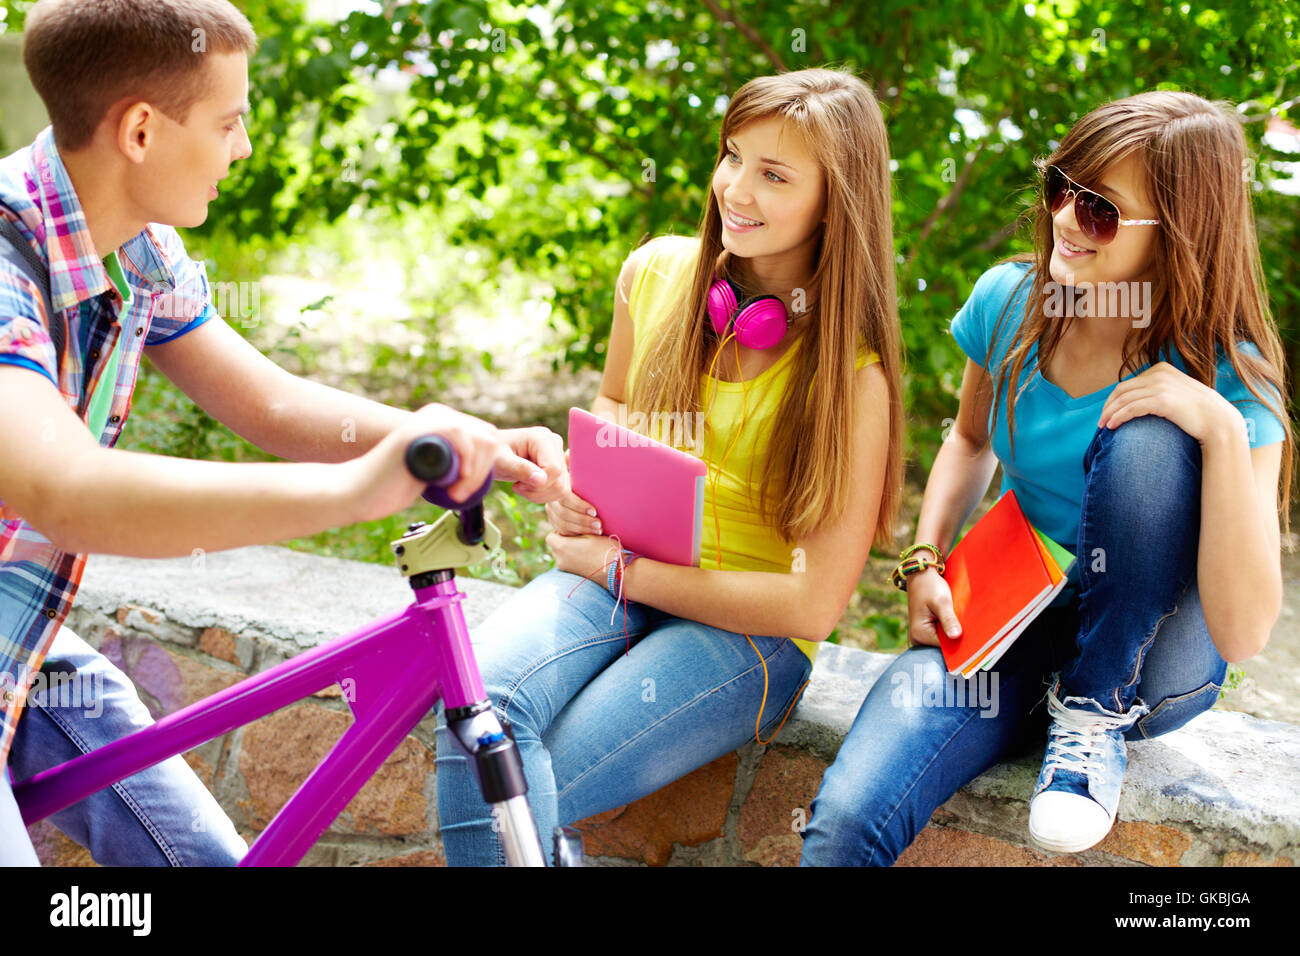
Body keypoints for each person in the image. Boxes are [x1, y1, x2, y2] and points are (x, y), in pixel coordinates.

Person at [0, 0, 566, 866]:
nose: (244, 147)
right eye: (229, 121)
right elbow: (66, 494)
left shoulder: (135, 248)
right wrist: (355, 490)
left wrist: (456, 435)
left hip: (21, 642)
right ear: (142, 132)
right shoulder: (7, 258)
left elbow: (271, 405)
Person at [800, 90, 1292, 866]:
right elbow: (967, 441)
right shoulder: (1010, 302)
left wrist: (1224, 430)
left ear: (1179, 234)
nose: (1065, 216)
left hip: (1154, 652)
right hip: (1013, 615)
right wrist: (925, 560)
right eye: (1062, 185)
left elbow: (1242, 633)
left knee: (1152, 438)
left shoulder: (1229, 371)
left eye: (1099, 210)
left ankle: (1092, 711)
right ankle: (1045, 704)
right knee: (849, 815)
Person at [434, 66, 904, 865]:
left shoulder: (854, 382)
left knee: (504, 776)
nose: (735, 189)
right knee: (482, 714)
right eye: (733, 156)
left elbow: (812, 604)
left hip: (748, 635)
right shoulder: (654, 275)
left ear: (838, 200)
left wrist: (620, 571)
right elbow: (614, 403)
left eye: (775, 174)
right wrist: (583, 490)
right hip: (616, 570)